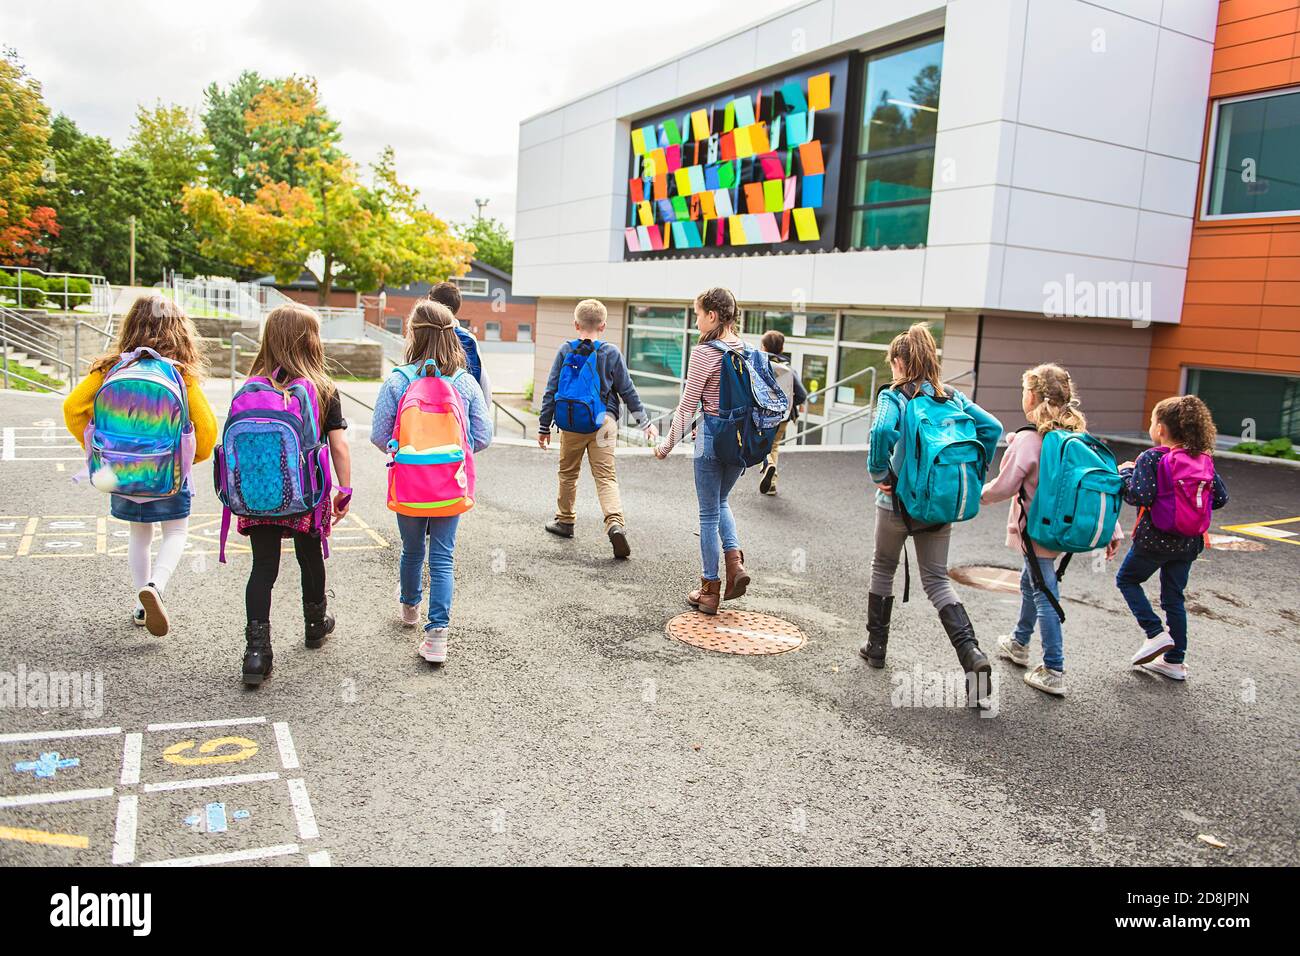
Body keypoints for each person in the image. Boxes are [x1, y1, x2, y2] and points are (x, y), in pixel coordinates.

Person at [63, 294, 216, 637]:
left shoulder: (111, 368)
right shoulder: (180, 374)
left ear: (130, 326)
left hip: (120, 472)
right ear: (180, 331)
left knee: (139, 535)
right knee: (176, 532)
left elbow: (73, 408)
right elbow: (206, 433)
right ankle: (156, 587)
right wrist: (188, 458)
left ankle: (140, 604)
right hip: (167, 473)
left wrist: (101, 449)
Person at [864, 324, 1002, 689]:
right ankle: (972, 654)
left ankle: (876, 648)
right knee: (938, 581)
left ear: (898, 361)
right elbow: (992, 428)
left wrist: (881, 472)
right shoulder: (952, 396)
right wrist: (970, 473)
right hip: (938, 504)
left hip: (896, 504)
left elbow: (880, 433)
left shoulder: (893, 397)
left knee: (883, 567)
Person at [981, 364, 1123, 697]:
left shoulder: (1030, 440)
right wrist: (1113, 528)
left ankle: (1054, 669)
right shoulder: (1079, 439)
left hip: (1038, 531)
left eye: (1024, 391)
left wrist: (975, 497)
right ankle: (1018, 641)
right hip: (1063, 528)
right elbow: (1099, 485)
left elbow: (1003, 487)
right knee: (1032, 582)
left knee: (1044, 593)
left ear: (1032, 396)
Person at [236, 304, 352, 686]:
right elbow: (338, 447)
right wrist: (344, 490)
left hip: (259, 493)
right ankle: (315, 624)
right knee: (309, 556)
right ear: (310, 341)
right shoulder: (322, 388)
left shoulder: (251, 385)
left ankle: (257, 654)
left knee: (263, 568)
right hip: (305, 492)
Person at [370, 300, 492, 663]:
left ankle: (410, 609)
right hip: (450, 482)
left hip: (409, 480)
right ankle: (437, 635)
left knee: (411, 549)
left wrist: (408, 451)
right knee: (443, 557)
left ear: (412, 334)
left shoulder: (398, 380)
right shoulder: (464, 382)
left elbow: (379, 435)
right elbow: (483, 437)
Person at [653, 287, 751, 614]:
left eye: (697, 314)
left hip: (711, 438)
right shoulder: (746, 349)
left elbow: (686, 406)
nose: (695, 321)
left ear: (712, 315)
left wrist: (666, 445)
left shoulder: (705, 353)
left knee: (708, 513)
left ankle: (709, 591)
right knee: (722, 502)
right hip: (740, 441)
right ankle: (735, 565)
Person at [1115, 395, 1227, 681]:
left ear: (1161, 429)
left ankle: (1154, 633)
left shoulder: (1153, 457)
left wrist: (1126, 472)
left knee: (1127, 579)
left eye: (1153, 422)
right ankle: (1175, 662)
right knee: (1173, 597)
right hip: (1189, 542)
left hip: (1155, 539)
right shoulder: (1203, 459)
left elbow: (1138, 495)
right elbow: (1220, 498)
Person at [537, 298, 657, 558]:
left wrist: (544, 426)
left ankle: (565, 521)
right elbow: (628, 391)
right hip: (604, 421)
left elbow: (551, 391)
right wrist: (645, 423)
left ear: (576, 324)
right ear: (602, 326)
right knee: (605, 477)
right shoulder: (611, 353)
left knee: (568, 473)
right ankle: (614, 523)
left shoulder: (565, 350)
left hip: (572, 423)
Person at [426, 280, 492, 408]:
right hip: (460, 415)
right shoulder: (468, 339)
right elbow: (484, 386)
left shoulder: (421, 336)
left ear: (431, 304)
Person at [757, 330, 807, 496]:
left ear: (763, 347)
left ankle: (767, 463)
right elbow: (801, 395)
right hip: (783, 417)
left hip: (762, 415)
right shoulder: (788, 369)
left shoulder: (759, 366)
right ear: (782, 348)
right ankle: (771, 483)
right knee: (774, 445)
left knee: (759, 443)